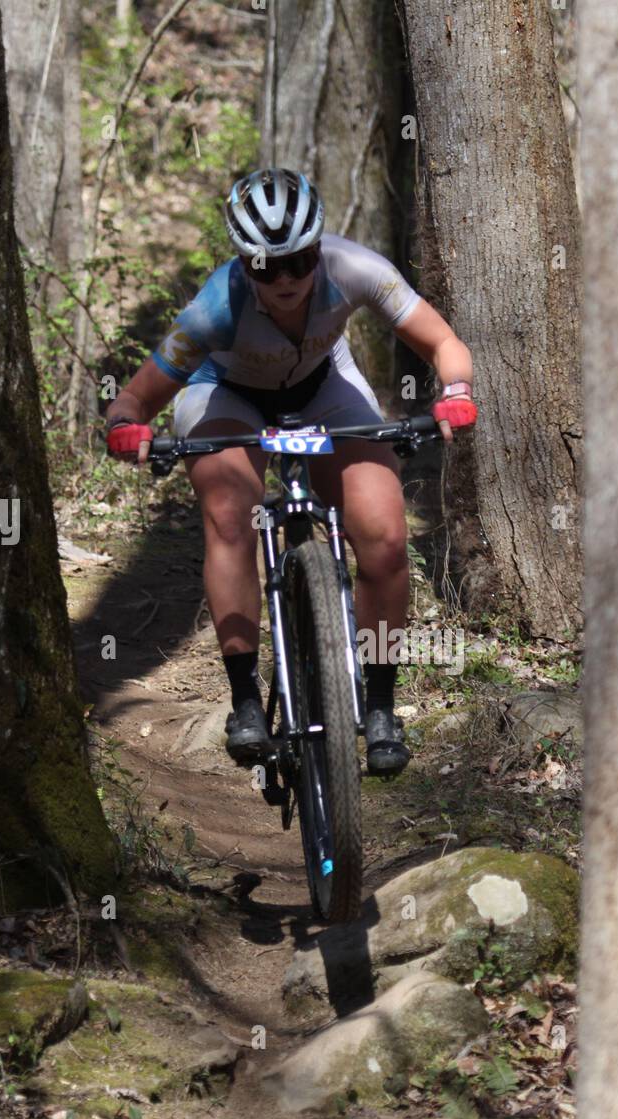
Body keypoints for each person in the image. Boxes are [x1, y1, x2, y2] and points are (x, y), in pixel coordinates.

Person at [105, 167, 476, 774]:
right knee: (230, 515)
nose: (284, 280)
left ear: (318, 249)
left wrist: (455, 391)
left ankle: (379, 704)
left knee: (383, 537)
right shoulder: (214, 308)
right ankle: (246, 700)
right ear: (243, 264)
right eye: (264, 267)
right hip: (226, 395)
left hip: (323, 386)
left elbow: (443, 344)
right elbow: (136, 397)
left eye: (299, 261)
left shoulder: (356, 269)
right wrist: (126, 427)